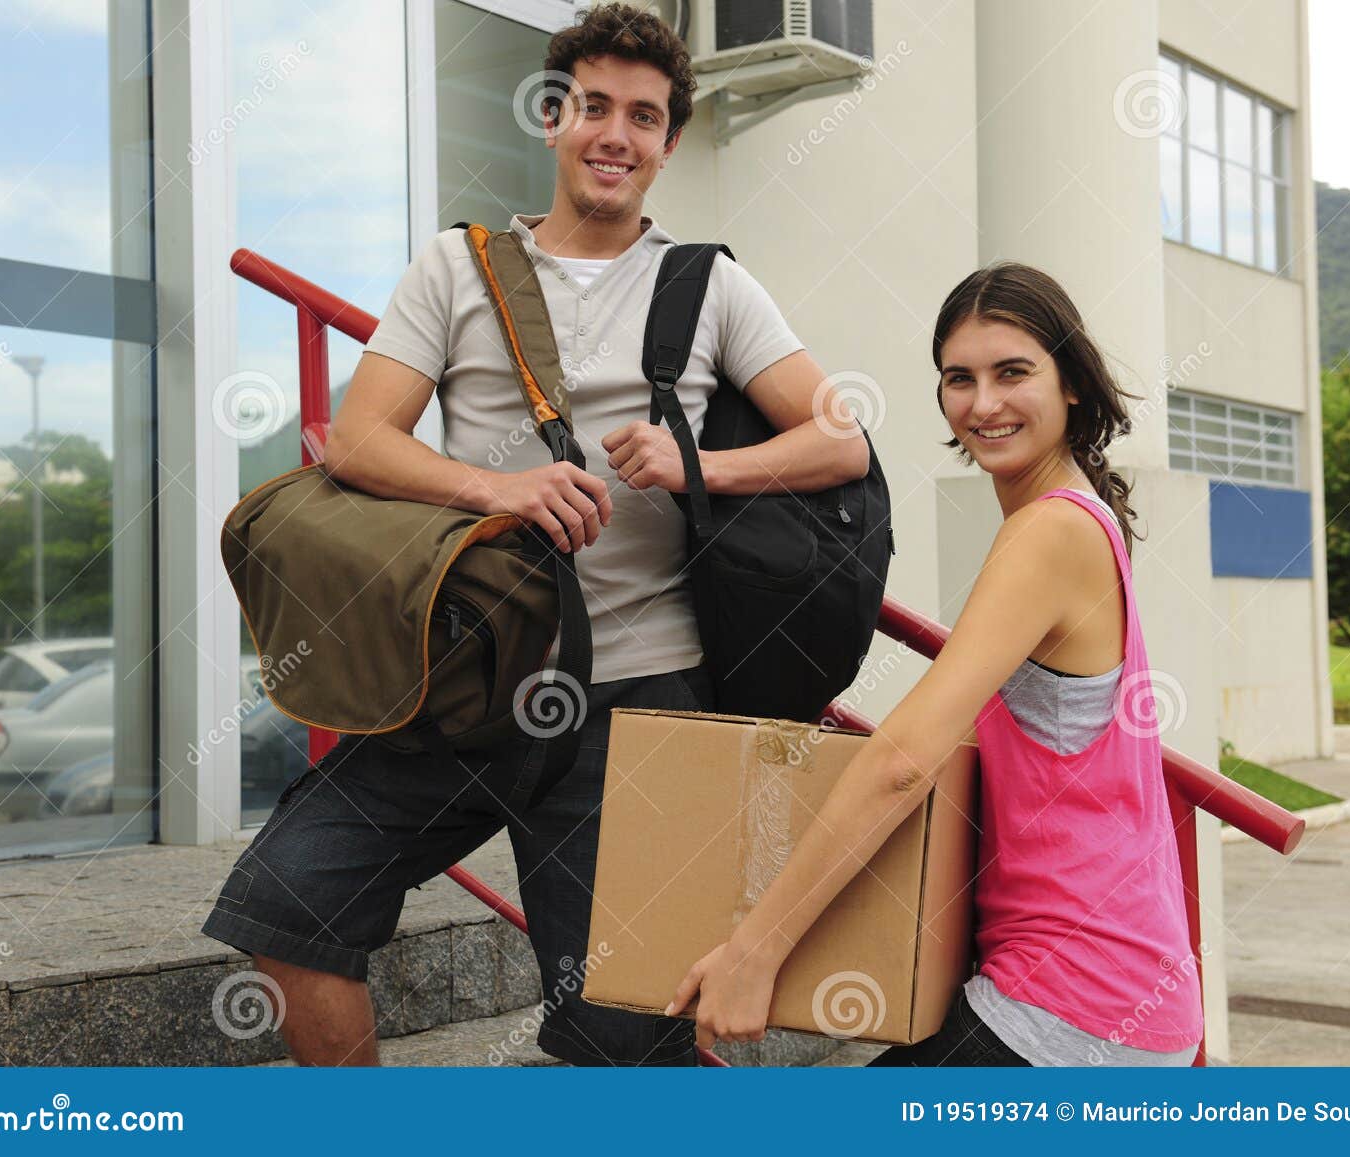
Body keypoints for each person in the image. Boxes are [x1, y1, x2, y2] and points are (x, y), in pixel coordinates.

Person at [199, 3, 868, 1066]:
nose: (615, 134)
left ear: (669, 143)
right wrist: (491, 488)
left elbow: (840, 440)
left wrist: (696, 465)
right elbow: (357, 440)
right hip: (471, 676)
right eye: (593, 106)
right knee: (290, 900)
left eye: (642, 117)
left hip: (643, 707)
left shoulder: (712, 284)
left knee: (628, 1038)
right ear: (553, 117)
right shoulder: (455, 268)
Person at [666, 263, 1204, 1067]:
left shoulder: (1050, 532)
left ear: (1072, 384)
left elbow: (904, 760)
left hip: (1074, 1004)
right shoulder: (1072, 517)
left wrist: (754, 950)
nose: (983, 403)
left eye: (1013, 372)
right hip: (1108, 990)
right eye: (960, 378)